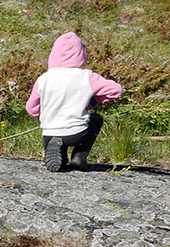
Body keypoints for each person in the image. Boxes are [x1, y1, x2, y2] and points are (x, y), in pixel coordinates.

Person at [26, 31, 122, 172]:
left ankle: (59, 152)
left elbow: (31, 109)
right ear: (81, 54)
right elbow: (116, 90)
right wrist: (94, 101)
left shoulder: (44, 78)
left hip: (49, 132)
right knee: (96, 119)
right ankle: (79, 157)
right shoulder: (86, 76)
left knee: (60, 159)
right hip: (76, 133)